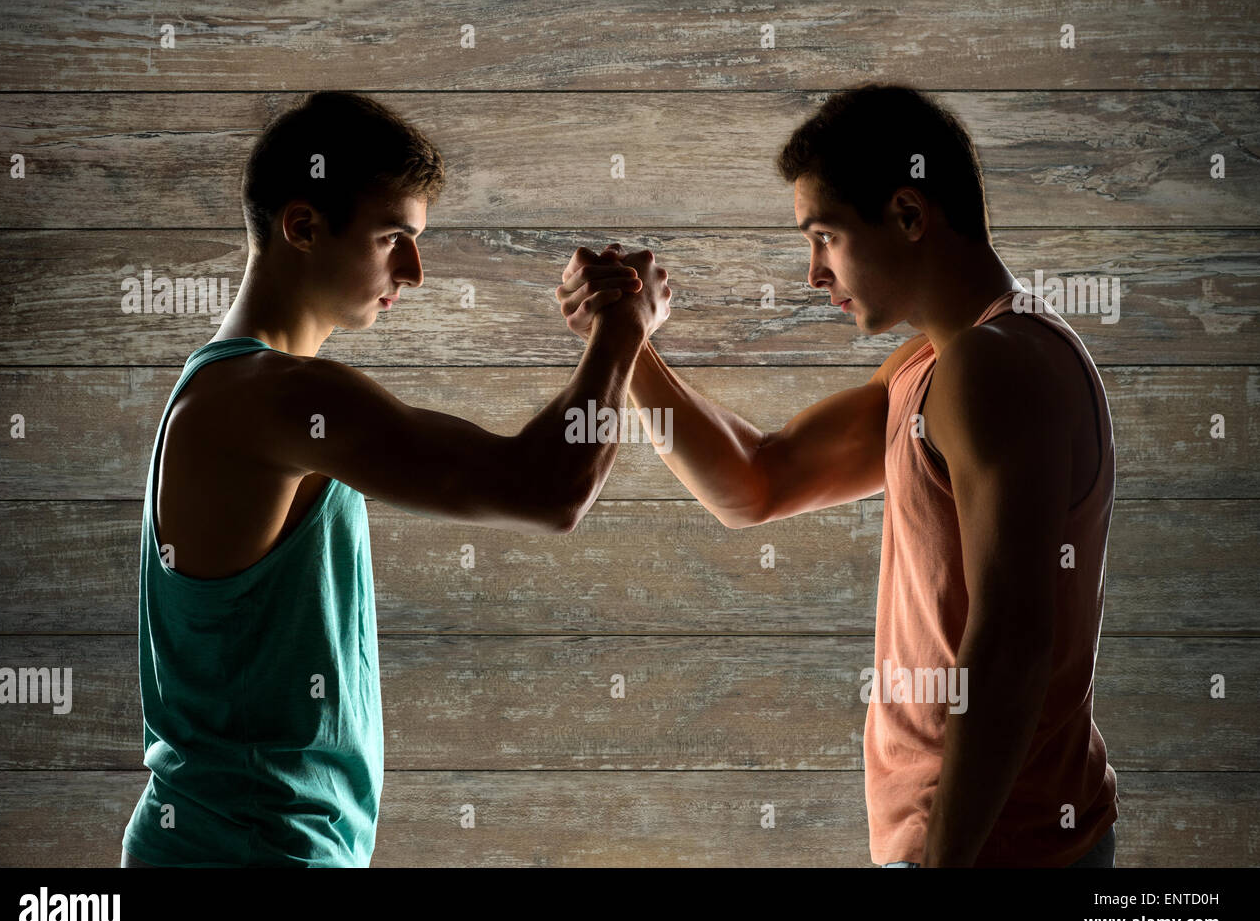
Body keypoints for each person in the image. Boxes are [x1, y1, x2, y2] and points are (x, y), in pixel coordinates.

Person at [558, 83, 1119, 867]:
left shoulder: (992, 370)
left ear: (909, 215)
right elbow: (755, 482)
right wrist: (629, 338)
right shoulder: (939, 365)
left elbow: (1011, 642)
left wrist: (945, 862)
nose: (815, 272)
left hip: (996, 850)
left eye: (824, 236)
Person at [121, 91, 669, 867]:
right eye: (393, 238)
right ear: (303, 226)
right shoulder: (277, 398)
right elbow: (548, 488)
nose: (413, 270)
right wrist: (623, 325)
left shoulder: (241, 393)